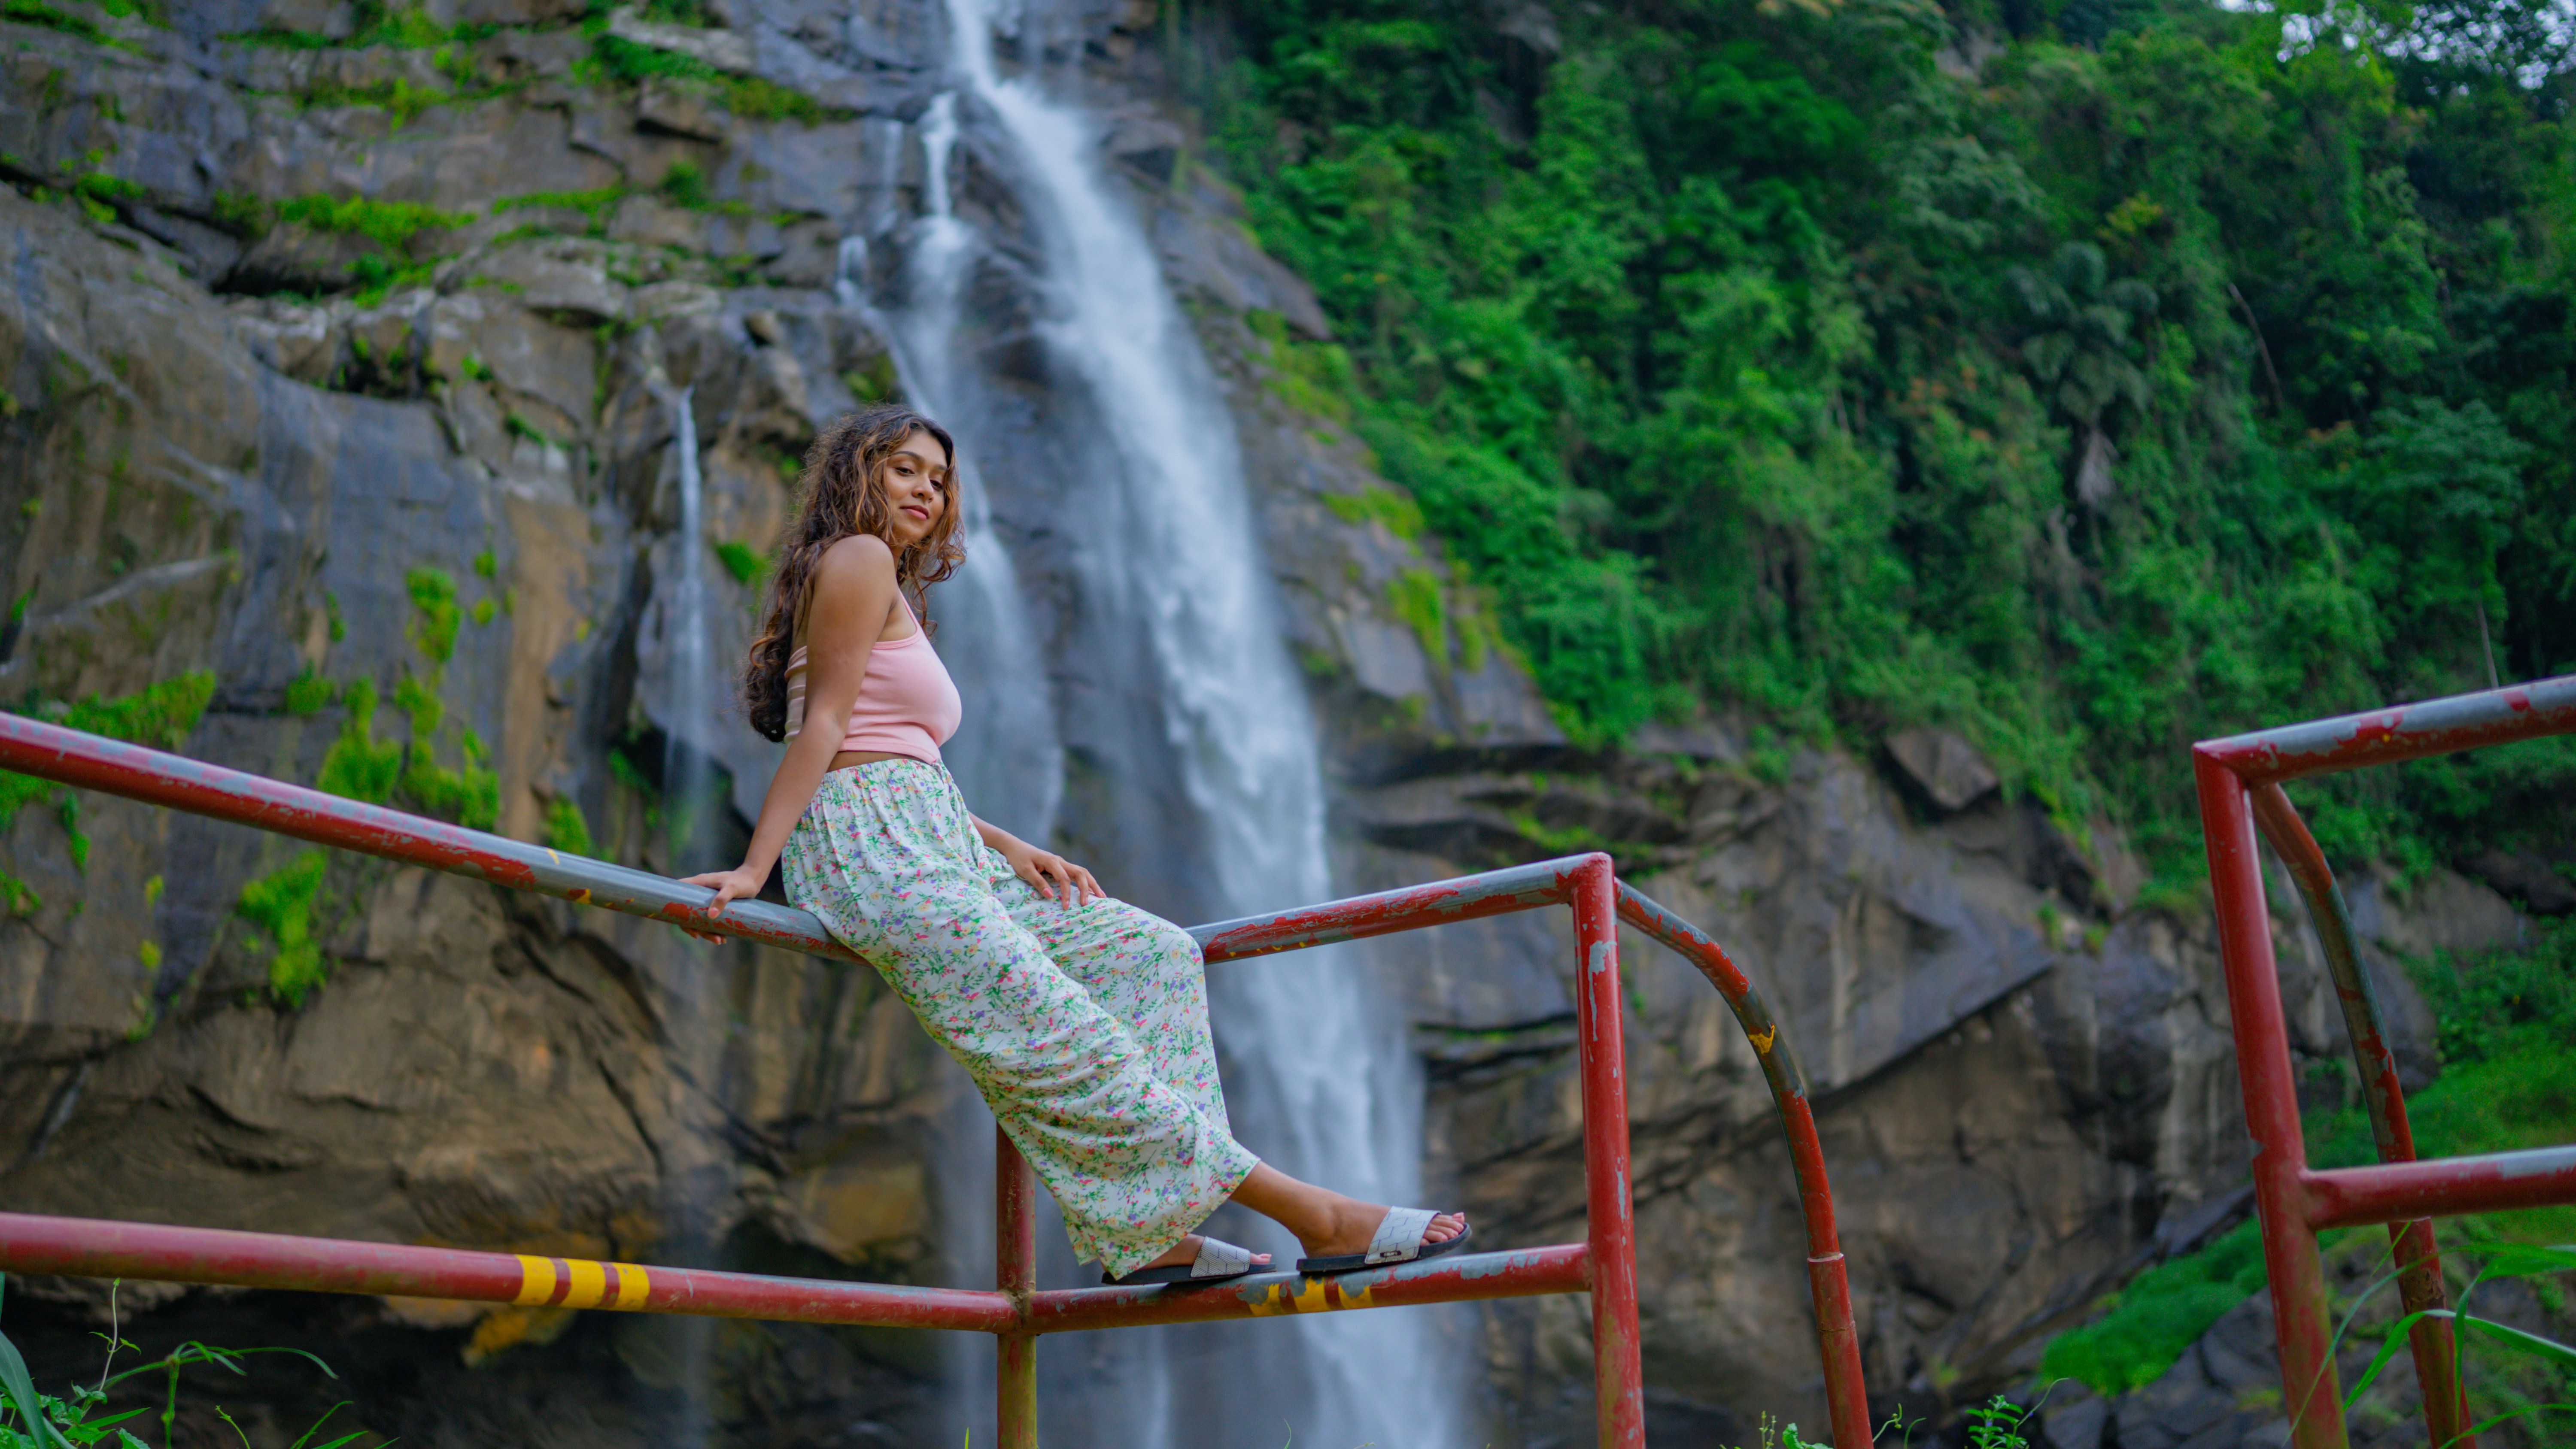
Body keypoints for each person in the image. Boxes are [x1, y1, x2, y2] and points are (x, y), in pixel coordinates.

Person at [682, 404, 1468, 1285]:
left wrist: (1004, 840)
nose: (927, 490)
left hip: (936, 839)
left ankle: (1153, 1230)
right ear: (858, 470)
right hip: (873, 848)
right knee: (1067, 1031)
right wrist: (760, 867)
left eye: (940, 480)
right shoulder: (858, 558)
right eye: (906, 468)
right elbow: (823, 730)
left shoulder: (883, 585)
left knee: (1155, 954)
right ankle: (1318, 1216)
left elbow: (886, 743)